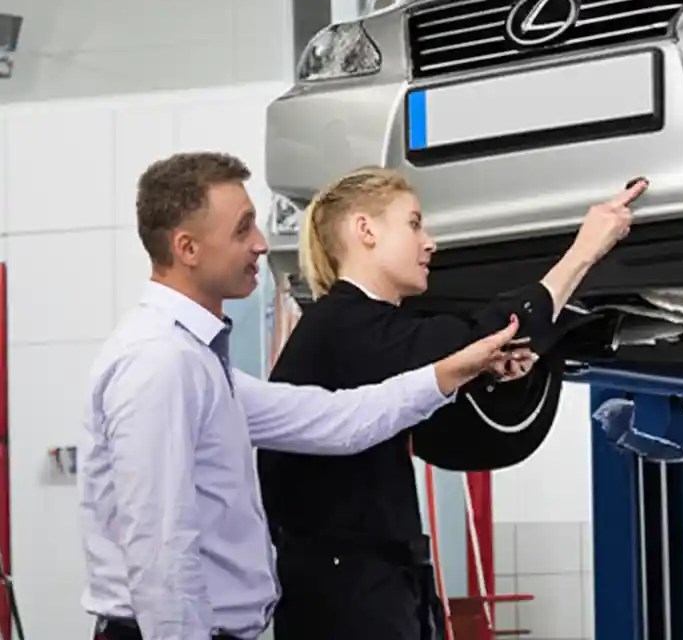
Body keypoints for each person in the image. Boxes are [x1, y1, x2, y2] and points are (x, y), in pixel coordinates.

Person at [78, 152, 531, 640]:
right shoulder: (159, 362)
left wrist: (455, 369)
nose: (260, 243)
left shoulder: (198, 362)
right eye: (242, 229)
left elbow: (339, 421)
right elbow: (159, 548)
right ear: (187, 248)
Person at [257, 166, 647, 640]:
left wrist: (486, 364)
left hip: (366, 590)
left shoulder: (355, 327)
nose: (430, 243)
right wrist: (586, 249)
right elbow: (492, 333)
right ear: (366, 231)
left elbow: (461, 358)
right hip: (349, 604)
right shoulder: (343, 327)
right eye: (414, 224)